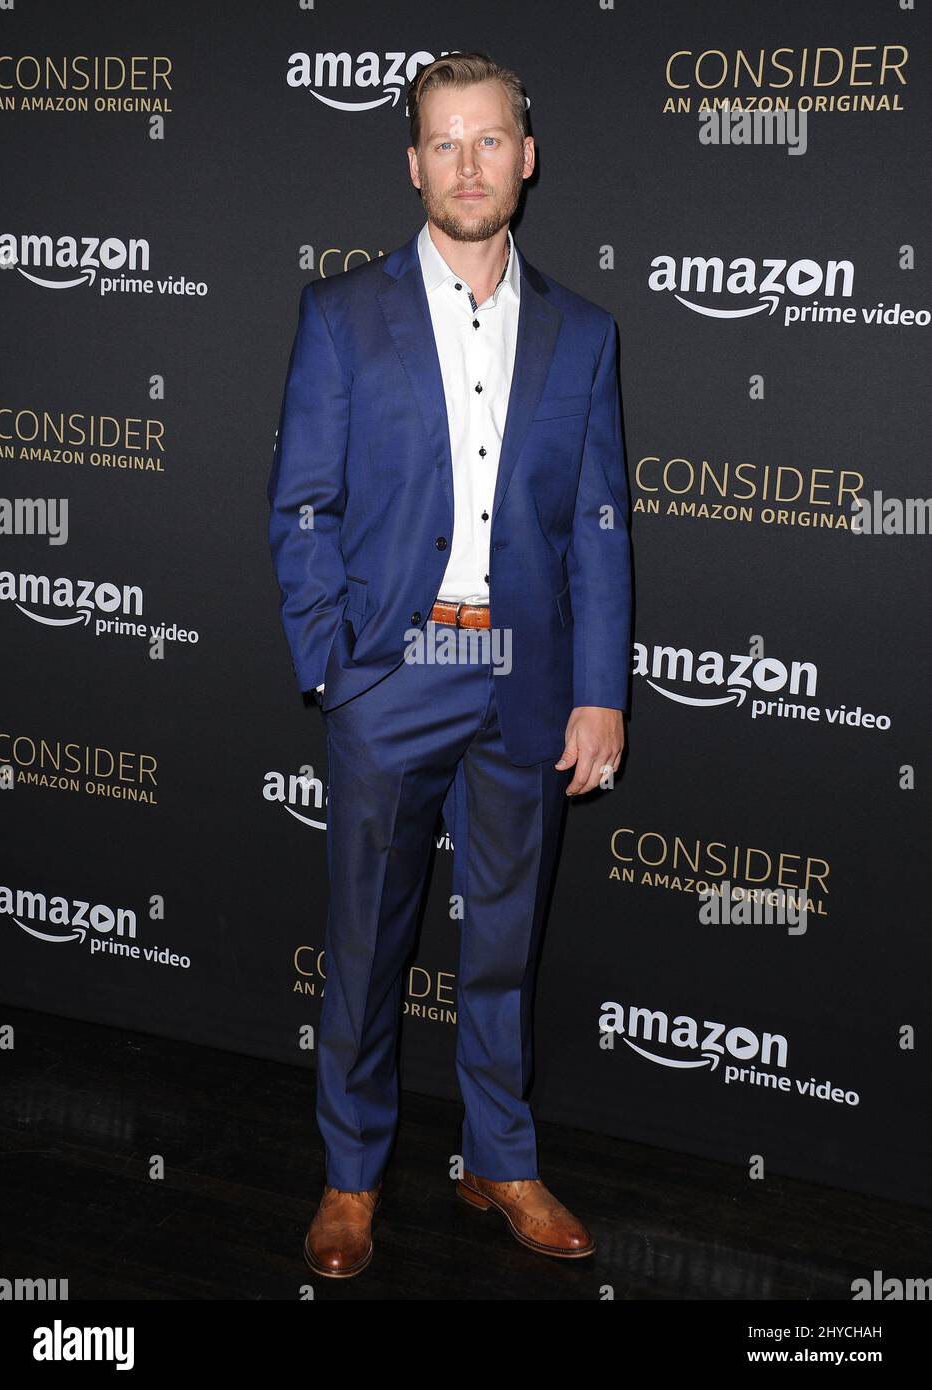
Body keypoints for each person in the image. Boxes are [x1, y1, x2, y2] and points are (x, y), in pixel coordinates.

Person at [267, 51, 632, 1278]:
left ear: (525, 158)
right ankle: (351, 1175)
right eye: (444, 143)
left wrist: (599, 689)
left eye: (490, 140)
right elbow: (303, 504)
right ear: (413, 162)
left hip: (523, 670)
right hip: (393, 671)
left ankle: (501, 1156)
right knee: (367, 943)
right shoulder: (340, 314)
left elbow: (596, 520)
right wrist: (335, 669)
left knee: (503, 939)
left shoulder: (584, 333)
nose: (468, 164)